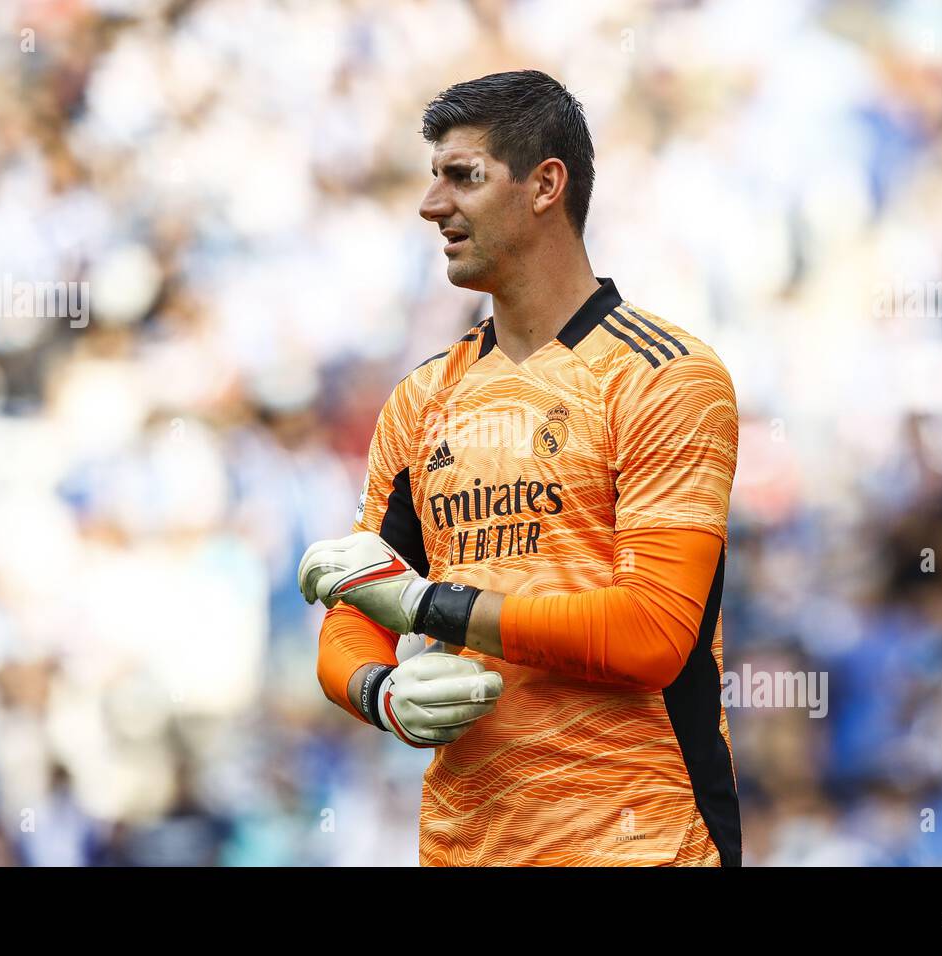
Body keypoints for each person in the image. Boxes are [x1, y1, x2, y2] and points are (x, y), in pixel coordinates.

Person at [299, 70, 740, 866]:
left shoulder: (666, 375)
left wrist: (429, 604)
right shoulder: (422, 397)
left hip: (645, 847)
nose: (433, 206)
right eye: (433, 178)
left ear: (545, 185)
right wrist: (383, 694)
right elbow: (355, 613)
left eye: (462, 177)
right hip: (462, 847)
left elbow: (652, 634)